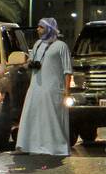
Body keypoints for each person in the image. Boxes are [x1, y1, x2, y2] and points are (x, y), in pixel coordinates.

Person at [15, 17, 72, 157]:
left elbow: (67, 70)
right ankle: (30, 145)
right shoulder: (37, 44)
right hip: (36, 87)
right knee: (33, 116)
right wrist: (26, 65)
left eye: (41, 27)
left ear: (49, 29)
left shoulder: (61, 46)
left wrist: (66, 91)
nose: (37, 29)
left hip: (52, 89)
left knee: (52, 118)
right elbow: (32, 60)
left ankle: (56, 147)